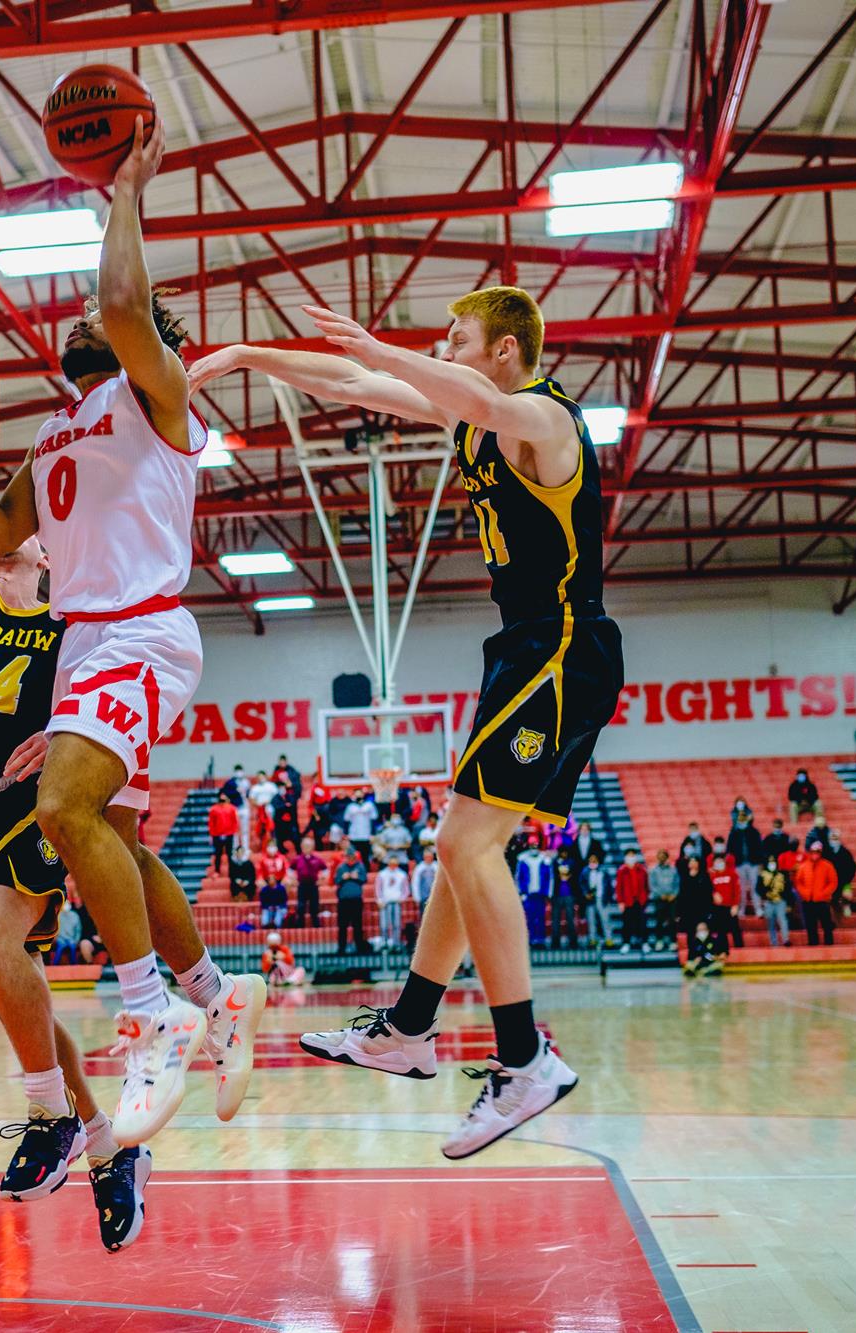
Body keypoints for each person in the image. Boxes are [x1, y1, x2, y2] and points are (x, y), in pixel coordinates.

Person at [0, 130, 270, 1154]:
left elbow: (118, 304)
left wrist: (127, 191)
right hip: (84, 644)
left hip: (142, 634)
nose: (81, 321)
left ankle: (152, 1014)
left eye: (101, 318)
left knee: (59, 809)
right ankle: (215, 991)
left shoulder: (155, 398)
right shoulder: (61, 429)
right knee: (109, 835)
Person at [202, 282, 621, 1153]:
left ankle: (524, 1059)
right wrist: (249, 358)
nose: (447, 346)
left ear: (505, 348)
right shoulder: (475, 416)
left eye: (458, 336)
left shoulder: (546, 420)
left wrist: (382, 346)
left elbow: (452, 390)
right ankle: (411, 1028)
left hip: (562, 642)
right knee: (459, 848)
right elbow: (356, 387)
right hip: (526, 647)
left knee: (467, 846)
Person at [793, 845, 838, 946]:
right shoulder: (803, 866)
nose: (815, 854)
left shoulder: (827, 865)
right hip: (808, 901)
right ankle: (813, 944)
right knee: (811, 925)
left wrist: (824, 893)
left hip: (822, 901)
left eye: (817, 852)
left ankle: (829, 944)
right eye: (813, 852)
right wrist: (804, 893)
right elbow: (798, 882)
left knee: (826, 925)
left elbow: (833, 882)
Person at [334, 847, 369, 952]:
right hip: (343, 901)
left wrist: (356, 876)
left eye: (352, 857)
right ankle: (341, 948)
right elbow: (336, 880)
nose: (350, 859)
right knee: (342, 925)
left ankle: (359, 947)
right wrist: (342, 878)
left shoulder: (360, 866)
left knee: (357, 924)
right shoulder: (341, 867)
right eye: (348, 857)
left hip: (356, 900)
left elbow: (364, 879)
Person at [613, 849, 648, 950]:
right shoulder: (621, 871)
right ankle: (626, 943)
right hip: (627, 901)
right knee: (627, 923)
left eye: (633, 855)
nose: (631, 857)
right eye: (629, 855)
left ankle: (644, 943)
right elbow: (619, 888)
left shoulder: (642, 870)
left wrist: (644, 898)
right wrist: (620, 902)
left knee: (642, 923)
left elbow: (646, 886)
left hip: (640, 900)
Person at [709, 855, 743, 949]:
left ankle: (740, 948)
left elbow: (737, 890)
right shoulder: (712, 876)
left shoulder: (732, 874)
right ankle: (724, 950)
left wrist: (735, 905)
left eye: (721, 862)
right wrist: (714, 893)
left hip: (730, 906)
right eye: (717, 862)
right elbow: (708, 889)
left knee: (735, 929)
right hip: (718, 907)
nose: (719, 864)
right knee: (721, 930)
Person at [292, 836, 327, 927]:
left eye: (309, 846)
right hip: (302, 885)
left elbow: (325, 870)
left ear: (312, 847)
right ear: (301, 847)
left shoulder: (317, 859)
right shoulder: (297, 859)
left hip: (313, 885)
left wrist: (321, 880)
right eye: (305, 846)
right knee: (301, 906)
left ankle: (316, 925)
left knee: (314, 906)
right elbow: (290, 870)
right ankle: (300, 925)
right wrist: (293, 880)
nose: (306, 848)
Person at [757, 857, 791, 946]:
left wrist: (789, 903)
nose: (772, 865)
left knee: (783, 920)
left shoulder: (782, 875)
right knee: (771, 923)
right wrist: (765, 895)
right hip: (769, 902)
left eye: (773, 863)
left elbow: (788, 889)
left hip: (780, 901)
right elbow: (758, 888)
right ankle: (774, 942)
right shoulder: (763, 875)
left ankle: (786, 940)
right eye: (770, 863)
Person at [207, 795, 238, 875]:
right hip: (217, 835)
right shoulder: (214, 809)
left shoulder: (232, 808)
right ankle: (217, 871)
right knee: (218, 854)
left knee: (229, 854)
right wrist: (212, 834)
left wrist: (233, 832)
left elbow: (234, 821)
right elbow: (211, 823)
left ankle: (232, 871)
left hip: (228, 834)